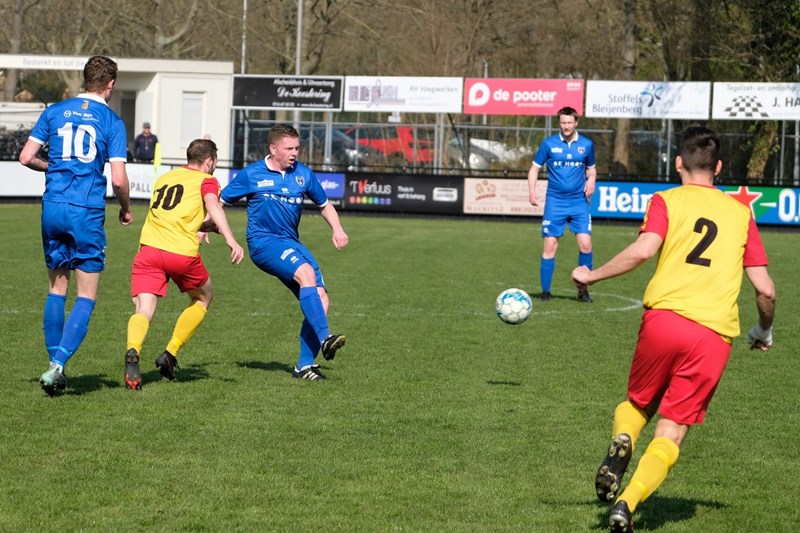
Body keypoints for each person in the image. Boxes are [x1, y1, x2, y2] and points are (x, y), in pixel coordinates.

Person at [571, 126, 776, 533]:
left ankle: (624, 438)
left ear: (678, 162)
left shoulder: (665, 200)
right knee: (673, 428)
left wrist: (591, 275)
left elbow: (645, 249)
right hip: (712, 335)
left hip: (663, 321)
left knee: (638, 403)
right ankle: (626, 504)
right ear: (719, 167)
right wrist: (763, 331)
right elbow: (766, 290)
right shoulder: (741, 213)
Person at [18, 55, 133, 396]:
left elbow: (25, 157)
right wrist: (125, 208)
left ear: (85, 80)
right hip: (86, 211)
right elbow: (118, 179)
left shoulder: (54, 111)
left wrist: (51, 166)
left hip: (53, 207)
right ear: (110, 85)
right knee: (86, 294)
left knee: (56, 289)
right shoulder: (112, 121)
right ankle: (57, 366)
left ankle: (55, 366)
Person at [221, 124, 348, 381]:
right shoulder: (252, 174)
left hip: (291, 242)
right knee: (305, 274)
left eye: (297, 148)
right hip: (263, 243)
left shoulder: (303, 174)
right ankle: (325, 338)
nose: (294, 153)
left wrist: (337, 228)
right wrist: (204, 227)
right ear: (273, 148)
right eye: (289, 148)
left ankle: (304, 366)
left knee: (321, 298)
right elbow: (219, 201)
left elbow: (324, 205)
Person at [124, 139, 244, 389]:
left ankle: (133, 349)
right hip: (180, 252)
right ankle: (170, 353)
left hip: (148, 249)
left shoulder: (166, 178)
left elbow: (174, 216)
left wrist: (204, 226)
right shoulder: (207, 180)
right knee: (203, 297)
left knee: (143, 309)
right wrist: (231, 239)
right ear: (209, 161)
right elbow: (213, 205)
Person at [528, 106, 597, 303]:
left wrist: (592, 180)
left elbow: (591, 170)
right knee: (550, 245)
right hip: (555, 201)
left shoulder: (586, 144)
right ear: (559, 123)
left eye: (569, 122)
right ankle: (545, 291)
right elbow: (534, 169)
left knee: (585, 244)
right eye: (563, 122)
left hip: (578, 202)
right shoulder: (548, 144)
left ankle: (583, 290)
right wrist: (532, 190)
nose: (566, 126)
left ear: (576, 123)